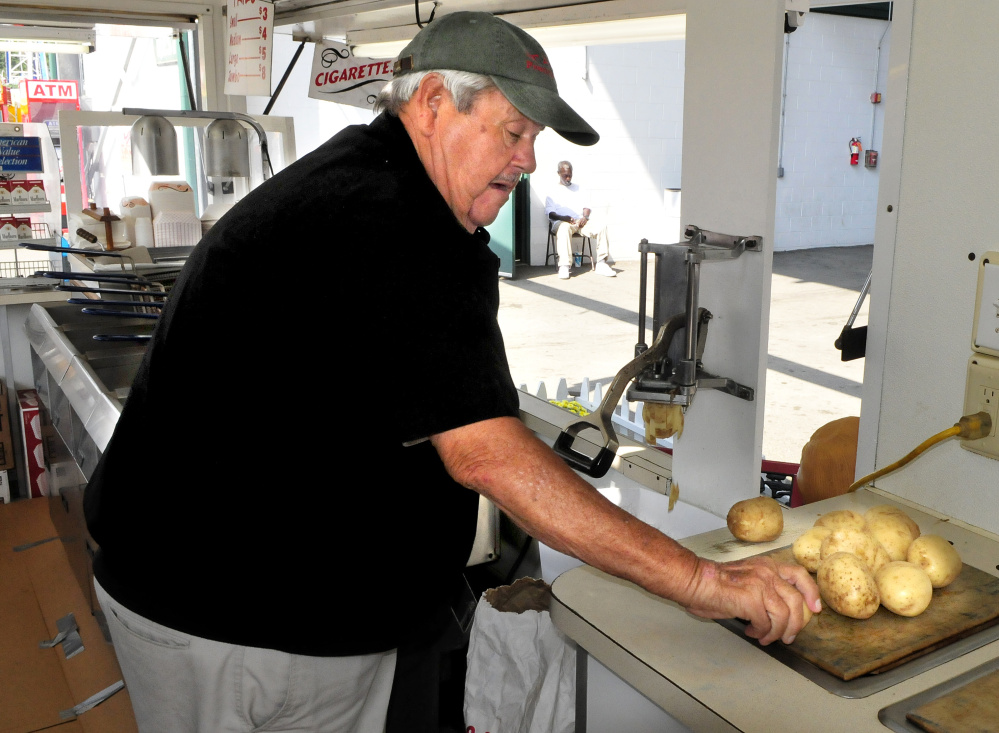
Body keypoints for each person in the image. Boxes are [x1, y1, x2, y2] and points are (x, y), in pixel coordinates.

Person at [83, 11, 819, 733]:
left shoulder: (360, 183)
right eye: (513, 131)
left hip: (213, 598)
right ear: (433, 103)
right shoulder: (397, 223)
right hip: (247, 628)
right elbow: (484, 453)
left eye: (533, 138)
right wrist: (702, 582)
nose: (528, 158)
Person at [545, 160, 616, 279]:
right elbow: (550, 214)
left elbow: (587, 206)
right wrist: (564, 218)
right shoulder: (552, 192)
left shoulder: (579, 188)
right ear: (558, 173)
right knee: (564, 228)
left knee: (601, 226)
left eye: (570, 175)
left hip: (580, 222)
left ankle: (602, 264)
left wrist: (585, 217)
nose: (568, 178)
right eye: (565, 176)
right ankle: (564, 266)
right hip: (562, 222)